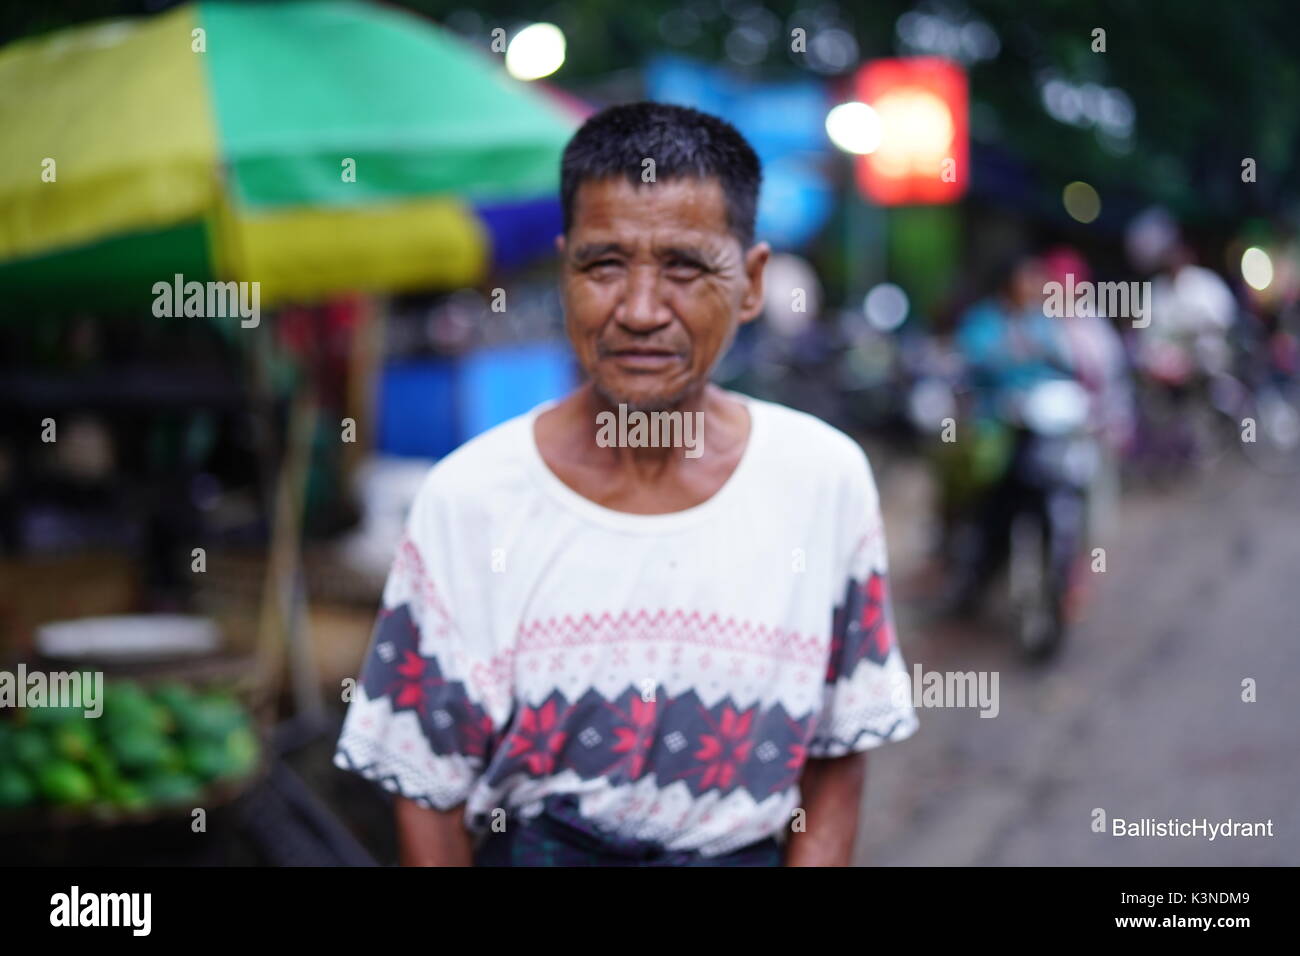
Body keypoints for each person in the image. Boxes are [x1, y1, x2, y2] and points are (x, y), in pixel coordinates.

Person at [333, 102, 918, 866]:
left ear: (750, 284)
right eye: (604, 265)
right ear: (566, 269)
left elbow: (838, 756)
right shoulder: (470, 498)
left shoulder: (823, 481)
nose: (640, 311)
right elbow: (424, 785)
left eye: (685, 266)